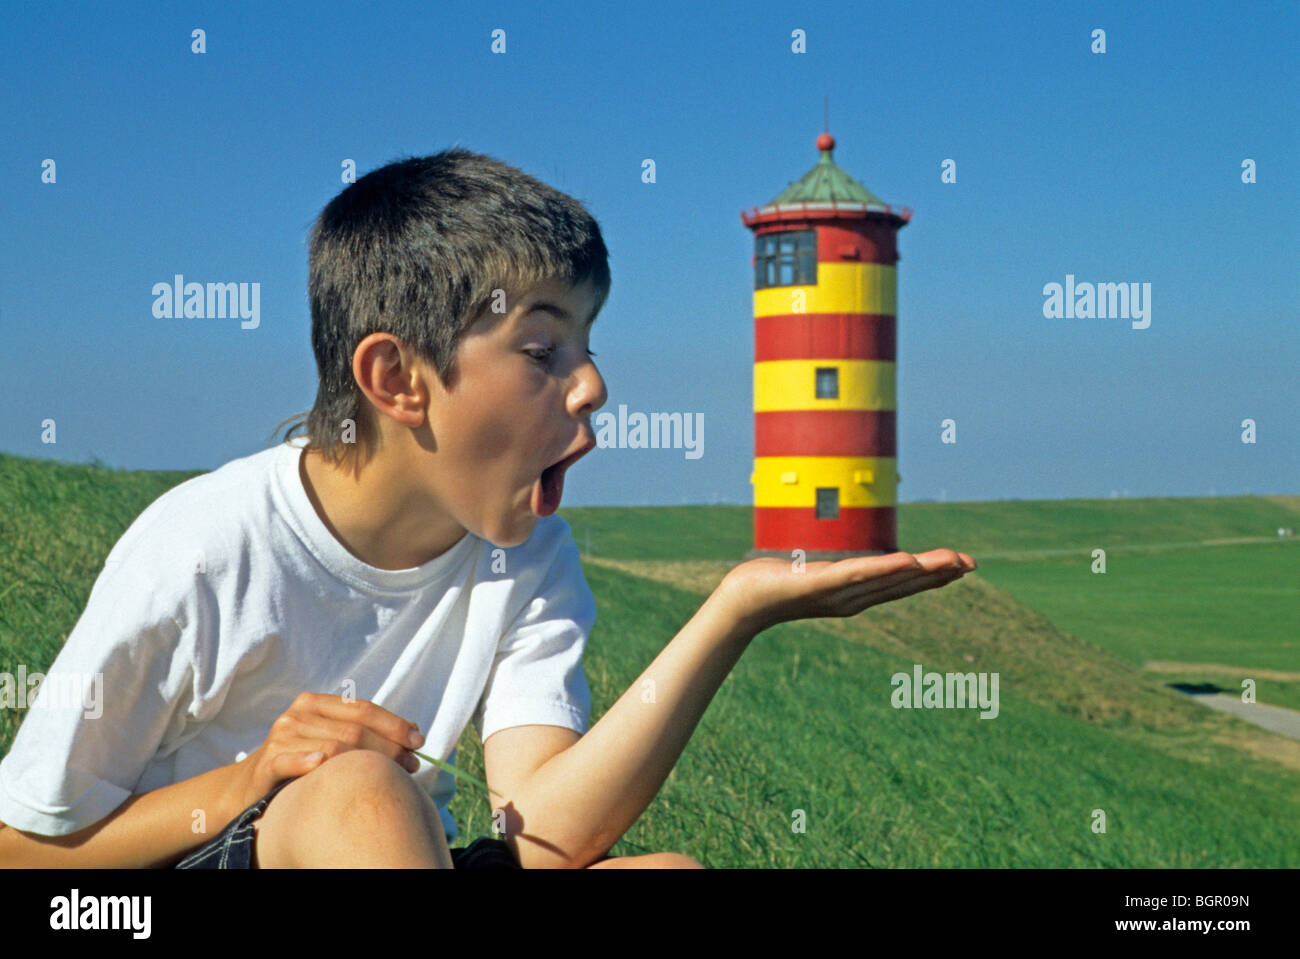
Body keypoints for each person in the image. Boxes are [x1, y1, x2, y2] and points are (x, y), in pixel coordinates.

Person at [0, 148, 973, 870]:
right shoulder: (202, 548)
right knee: (360, 790)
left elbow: (548, 832)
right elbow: (23, 846)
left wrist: (731, 612)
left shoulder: (528, 551)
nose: (591, 385)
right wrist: (250, 780)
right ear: (397, 378)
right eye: (544, 350)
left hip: (404, 851)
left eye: (586, 345)